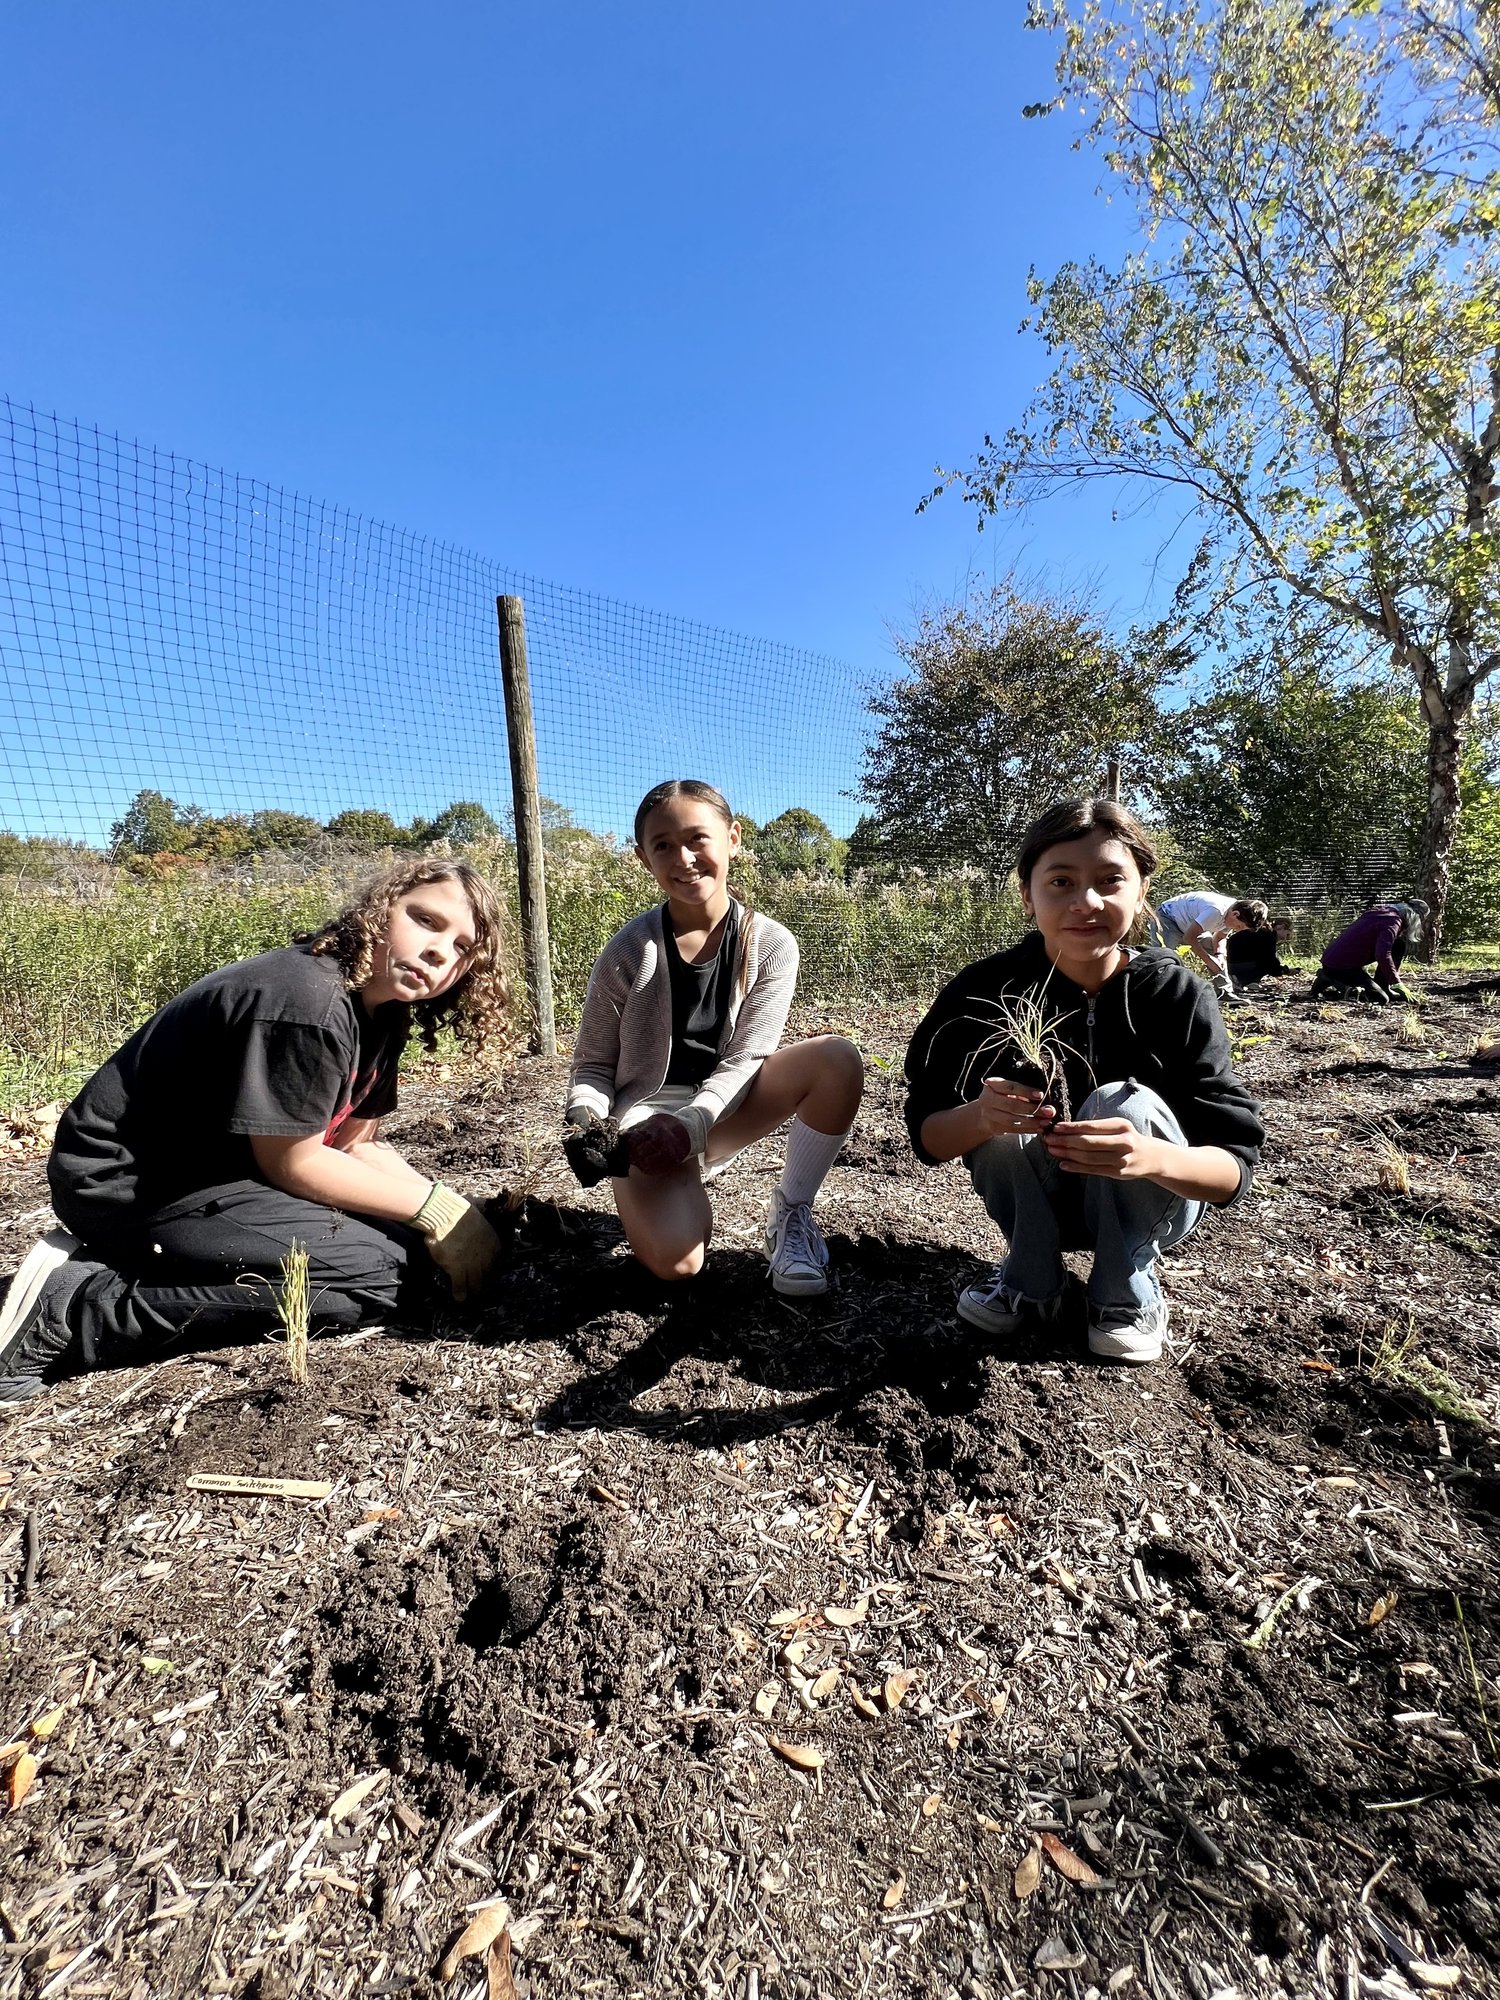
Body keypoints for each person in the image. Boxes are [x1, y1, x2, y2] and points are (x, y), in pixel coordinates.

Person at [0, 859, 511, 1401]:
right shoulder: (307, 1001)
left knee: (412, 1255)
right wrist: (436, 1210)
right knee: (375, 1279)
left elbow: (354, 1144)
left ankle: (165, 1259)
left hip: (222, 1173)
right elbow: (294, 1163)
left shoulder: (381, 1013)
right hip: (132, 1184)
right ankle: (74, 1310)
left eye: (462, 949)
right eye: (427, 921)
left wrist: (449, 1212)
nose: (439, 953)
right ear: (379, 909)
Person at [904, 798, 1264, 1365]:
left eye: (1110, 880)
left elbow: (1233, 1168)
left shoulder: (1176, 994)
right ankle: (1031, 1282)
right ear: (1028, 895)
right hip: (1032, 1195)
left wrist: (1149, 1158)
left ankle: (1125, 1293)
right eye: (1061, 882)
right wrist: (980, 1117)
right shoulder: (982, 991)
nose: (1086, 902)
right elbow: (926, 1133)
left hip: (1152, 1202)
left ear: (1142, 891)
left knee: (1129, 1103)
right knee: (1001, 1114)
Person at [562, 780, 863, 1295]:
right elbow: (592, 1067)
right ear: (642, 858)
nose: (683, 857)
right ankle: (666, 1190)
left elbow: (750, 1054)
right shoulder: (629, 949)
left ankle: (790, 1214)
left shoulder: (771, 944)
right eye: (662, 845)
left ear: (733, 838)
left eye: (698, 838)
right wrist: (591, 1124)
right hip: (646, 1120)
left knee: (837, 1059)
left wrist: (692, 1127)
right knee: (679, 1264)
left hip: (728, 1108)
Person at [1309, 898, 1428, 1005]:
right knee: (1380, 999)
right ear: (1414, 917)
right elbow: (1382, 954)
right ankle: (1327, 976)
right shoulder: (1392, 922)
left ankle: (1383, 986)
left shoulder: (1383, 913)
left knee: (1398, 945)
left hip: (1347, 961)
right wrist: (1397, 983)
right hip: (1338, 965)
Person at [1155, 891, 1266, 1003]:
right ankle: (1158, 994)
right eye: (1239, 926)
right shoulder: (1216, 911)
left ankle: (1225, 993)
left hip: (1191, 925)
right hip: (1167, 918)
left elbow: (1220, 937)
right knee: (1165, 956)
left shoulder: (1233, 913)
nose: (1238, 930)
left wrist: (1219, 956)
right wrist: (1209, 961)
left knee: (1211, 947)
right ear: (1235, 914)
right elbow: (1189, 938)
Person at [1225, 908, 1294, 988]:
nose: (1286, 938)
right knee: (1264, 964)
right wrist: (1286, 971)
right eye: (1288, 933)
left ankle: (1242, 980)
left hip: (1232, 964)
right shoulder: (1268, 936)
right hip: (1237, 966)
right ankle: (1243, 981)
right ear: (1281, 927)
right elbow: (1270, 962)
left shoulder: (1262, 932)